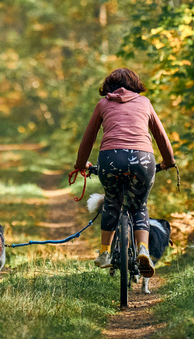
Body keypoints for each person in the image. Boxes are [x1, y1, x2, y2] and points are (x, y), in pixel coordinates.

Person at [73, 68, 175, 277]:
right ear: (135, 85)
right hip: (143, 160)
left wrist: (80, 164)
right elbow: (160, 136)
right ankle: (143, 250)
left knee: (112, 201)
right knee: (139, 205)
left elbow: (89, 137)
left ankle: (104, 253)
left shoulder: (103, 104)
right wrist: (168, 161)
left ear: (107, 87)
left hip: (111, 159)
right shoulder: (145, 103)